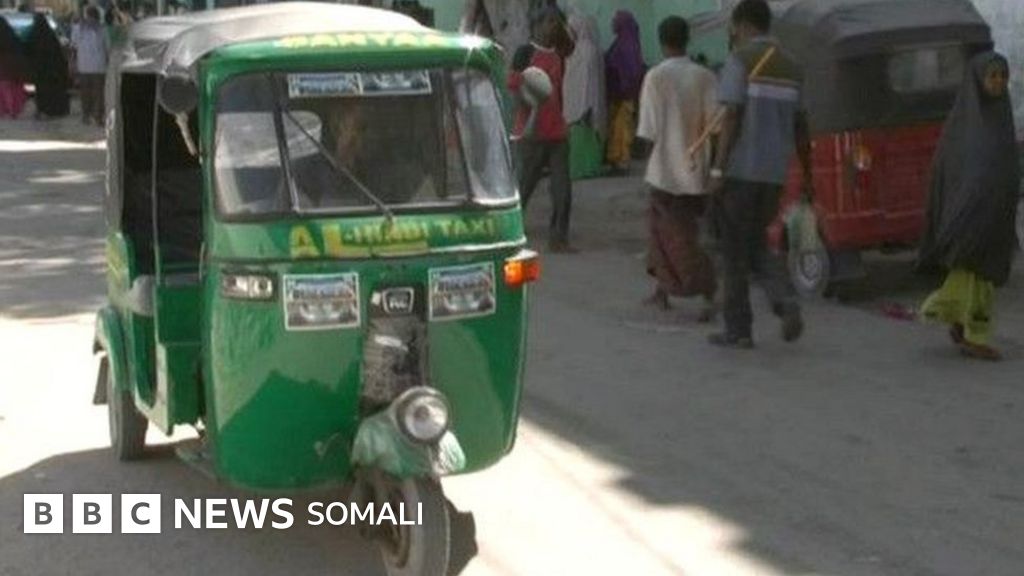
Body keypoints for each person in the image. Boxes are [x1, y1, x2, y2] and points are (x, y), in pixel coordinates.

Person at [707, 0, 812, 349]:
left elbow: (731, 116)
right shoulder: (793, 66)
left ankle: (738, 330)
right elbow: (801, 126)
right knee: (757, 244)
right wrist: (807, 174)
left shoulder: (740, 60)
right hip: (774, 174)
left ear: (741, 24)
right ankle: (786, 302)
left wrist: (718, 168)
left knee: (734, 251)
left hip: (741, 170)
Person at [917, 52, 1020, 361]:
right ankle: (975, 336)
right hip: (972, 217)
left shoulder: (999, 115)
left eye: (1002, 76)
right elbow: (954, 172)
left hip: (994, 214)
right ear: (978, 80)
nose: (998, 82)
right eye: (992, 76)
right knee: (977, 281)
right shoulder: (965, 124)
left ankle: (958, 322)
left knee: (975, 278)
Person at [636, 16, 718, 320]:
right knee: (675, 232)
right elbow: (715, 126)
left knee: (672, 237)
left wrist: (647, 165)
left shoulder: (656, 77)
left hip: (664, 171)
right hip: (695, 170)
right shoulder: (705, 76)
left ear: (661, 42)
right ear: (687, 40)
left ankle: (707, 288)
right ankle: (662, 290)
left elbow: (648, 130)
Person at [508, 7, 575, 253]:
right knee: (525, 186)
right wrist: (527, 116)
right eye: (549, 21)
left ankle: (558, 237)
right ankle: (509, 230)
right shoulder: (525, 53)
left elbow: (558, 93)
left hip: (557, 133)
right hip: (532, 133)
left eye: (556, 22)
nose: (553, 26)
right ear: (536, 25)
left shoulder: (559, 54)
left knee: (562, 189)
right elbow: (514, 88)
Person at [562, 11, 605, 180]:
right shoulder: (575, 48)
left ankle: (587, 169)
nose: (569, 31)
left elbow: (589, 82)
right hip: (574, 101)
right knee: (577, 137)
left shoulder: (588, 51)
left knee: (584, 136)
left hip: (585, 103)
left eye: (572, 28)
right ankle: (579, 168)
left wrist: (587, 106)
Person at [604, 10, 644, 174]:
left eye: (615, 20)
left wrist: (624, 90)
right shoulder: (620, 42)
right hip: (617, 94)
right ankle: (616, 160)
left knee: (623, 128)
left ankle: (622, 162)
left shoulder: (627, 45)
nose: (612, 23)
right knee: (616, 128)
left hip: (624, 95)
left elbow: (630, 71)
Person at [27, 13, 71, 119]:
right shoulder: (50, 36)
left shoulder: (33, 35)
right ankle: (51, 110)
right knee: (51, 91)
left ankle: (41, 109)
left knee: (41, 91)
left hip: (39, 70)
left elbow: (29, 51)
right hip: (51, 70)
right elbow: (58, 54)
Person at [71, 5, 108, 126]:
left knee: (85, 93)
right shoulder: (103, 29)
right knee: (98, 93)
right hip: (99, 66)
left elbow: (74, 47)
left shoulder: (78, 29)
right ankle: (97, 116)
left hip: (85, 66)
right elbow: (108, 48)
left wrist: (73, 62)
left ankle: (87, 116)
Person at [0, 17, 29, 119]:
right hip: (16, 68)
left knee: (4, 89)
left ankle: (7, 109)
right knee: (15, 88)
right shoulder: (13, 36)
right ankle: (14, 109)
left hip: (3, 68)